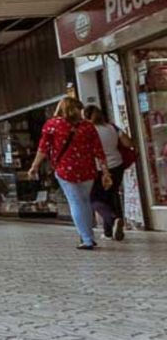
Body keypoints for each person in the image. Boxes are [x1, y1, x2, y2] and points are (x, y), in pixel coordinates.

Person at [27, 98, 111, 250]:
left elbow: (43, 148)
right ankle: (88, 235)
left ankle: (87, 239)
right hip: (87, 169)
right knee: (85, 201)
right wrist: (105, 171)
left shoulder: (52, 125)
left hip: (65, 170)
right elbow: (98, 150)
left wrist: (34, 166)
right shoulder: (88, 126)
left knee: (75, 202)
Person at [86, 105, 133, 241]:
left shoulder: (88, 130)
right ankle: (108, 232)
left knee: (93, 198)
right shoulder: (112, 127)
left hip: (99, 168)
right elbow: (128, 143)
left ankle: (113, 219)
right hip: (117, 165)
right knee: (110, 196)